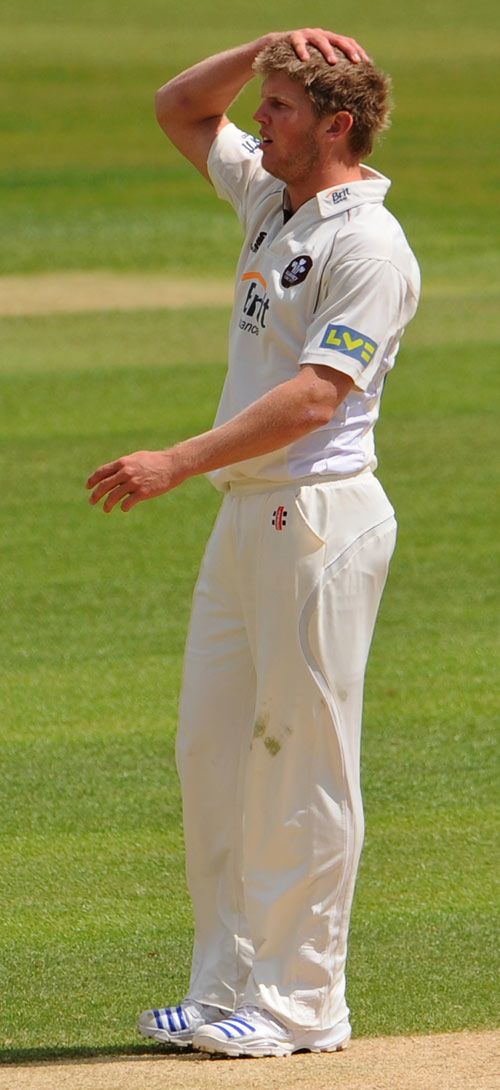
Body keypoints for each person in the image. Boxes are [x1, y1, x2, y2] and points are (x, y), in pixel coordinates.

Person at [87, 27, 420, 1058]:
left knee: (300, 765)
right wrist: (261, 45)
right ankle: (227, 980)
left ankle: (300, 1003)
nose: (254, 123)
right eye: (262, 105)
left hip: (316, 519)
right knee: (215, 752)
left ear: (335, 126)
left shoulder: (367, 246)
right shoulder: (272, 197)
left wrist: (175, 460)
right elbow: (178, 108)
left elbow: (316, 397)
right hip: (247, 520)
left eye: (278, 107)